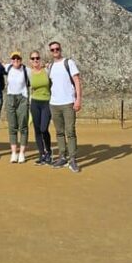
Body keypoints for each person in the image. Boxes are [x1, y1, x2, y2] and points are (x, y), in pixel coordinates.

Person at [47, 41, 82, 173]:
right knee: (59, 132)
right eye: (52, 49)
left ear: (60, 49)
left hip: (68, 103)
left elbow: (77, 81)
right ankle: (62, 156)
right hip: (54, 104)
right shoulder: (50, 66)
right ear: (50, 52)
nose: (55, 51)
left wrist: (78, 99)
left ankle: (72, 159)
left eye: (57, 49)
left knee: (70, 131)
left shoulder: (69, 63)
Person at [3, 51, 30, 163]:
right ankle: (14, 153)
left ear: (21, 59)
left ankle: (22, 153)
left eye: (18, 58)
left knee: (23, 126)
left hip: (22, 98)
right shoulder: (8, 67)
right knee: (12, 126)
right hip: (10, 98)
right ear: (11, 60)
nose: (16, 60)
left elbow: (37, 72)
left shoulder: (26, 70)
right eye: (13, 58)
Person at [27, 50, 53, 165]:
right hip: (35, 103)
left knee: (44, 128)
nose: (35, 60)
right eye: (33, 58)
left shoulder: (46, 70)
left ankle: (49, 152)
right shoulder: (29, 73)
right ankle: (42, 154)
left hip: (46, 102)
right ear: (30, 61)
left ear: (40, 59)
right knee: (37, 130)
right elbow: (13, 66)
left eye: (37, 58)